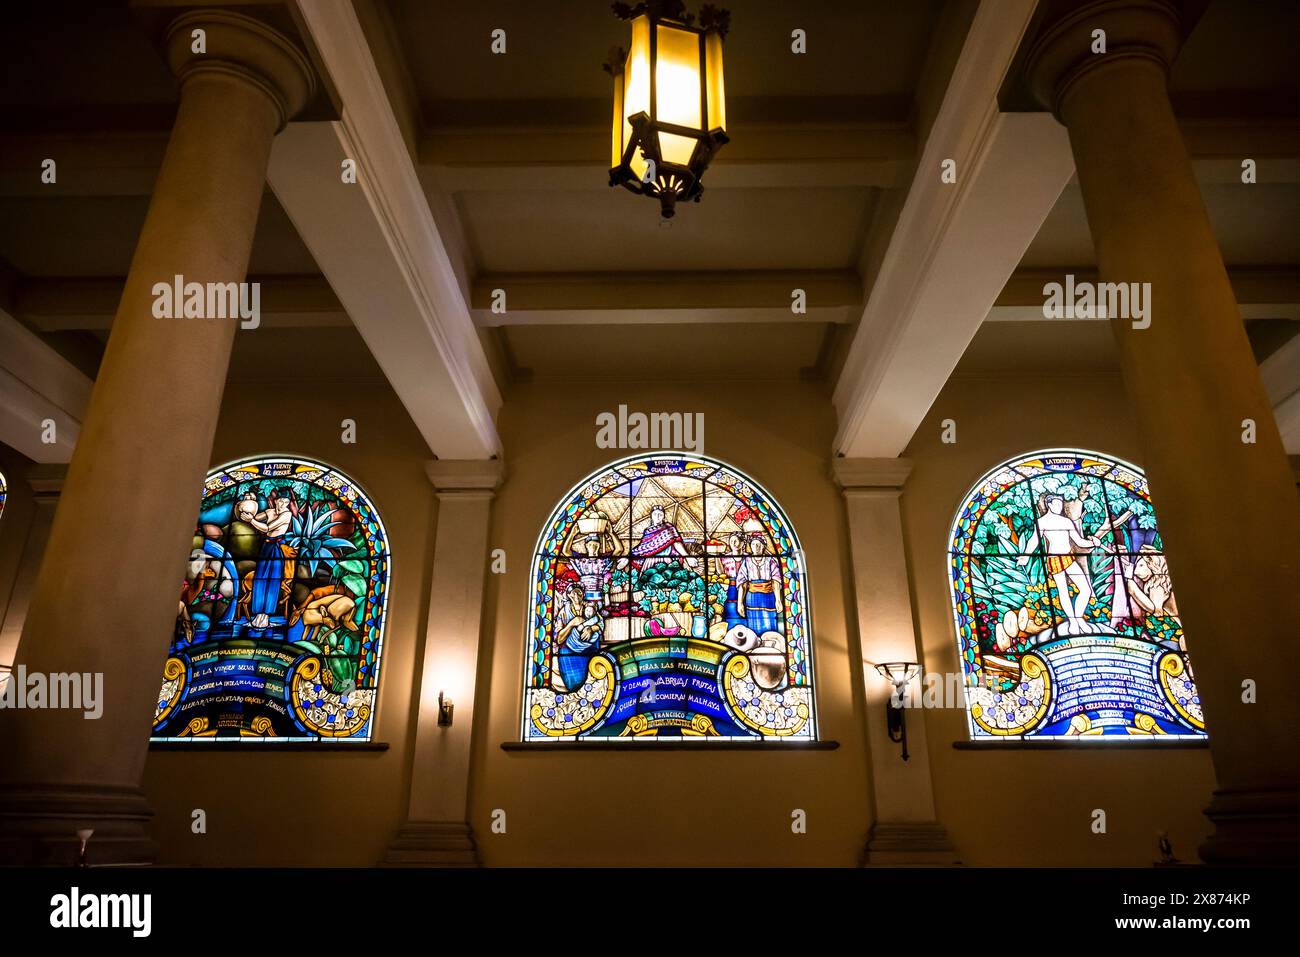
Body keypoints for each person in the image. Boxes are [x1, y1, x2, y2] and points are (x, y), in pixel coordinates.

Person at [1017, 494, 1102, 635]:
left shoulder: (1067, 521)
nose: (1060, 507)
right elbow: (1034, 540)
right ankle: (1073, 622)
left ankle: (1079, 617)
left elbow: (1079, 542)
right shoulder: (1041, 522)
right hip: (1054, 559)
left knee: (1085, 589)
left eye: (1061, 504)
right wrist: (1025, 557)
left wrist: (1094, 542)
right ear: (1049, 505)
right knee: (1063, 592)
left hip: (1069, 557)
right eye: (1056, 504)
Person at [246, 489, 296, 631]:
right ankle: (257, 615)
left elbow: (267, 527)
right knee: (259, 579)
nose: (283, 505)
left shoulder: (287, 515)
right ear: (275, 501)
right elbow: (253, 515)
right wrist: (248, 506)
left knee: (272, 580)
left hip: (276, 548)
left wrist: (252, 520)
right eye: (281, 501)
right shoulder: (269, 511)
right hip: (266, 547)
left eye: (286, 502)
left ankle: (266, 617)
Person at [735, 534, 783, 636]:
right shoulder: (746, 562)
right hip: (752, 598)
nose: (756, 547)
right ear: (750, 546)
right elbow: (742, 584)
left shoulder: (771, 561)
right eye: (753, 544)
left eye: (758, 544)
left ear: (763, 546)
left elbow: (776, 581)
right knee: (753, 624)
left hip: (768, 597)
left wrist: (778, 600)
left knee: (770, 624)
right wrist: (740, 603)